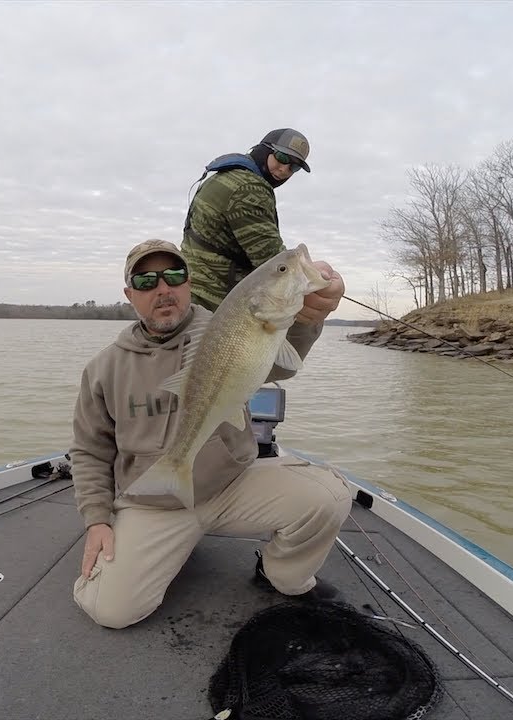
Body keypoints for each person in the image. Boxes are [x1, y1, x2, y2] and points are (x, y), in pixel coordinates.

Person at [69, 239, 353, 630]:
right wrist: (97, 518)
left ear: (188, 283)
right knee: (112, 612)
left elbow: (285, 362)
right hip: (153, 502)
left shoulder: (225, 324)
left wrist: (308, 317)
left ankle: (285, 577)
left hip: (230, 487)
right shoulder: (103, 368)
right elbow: (88, 450)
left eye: (174, 276)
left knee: (330, 494)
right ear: (129, 294)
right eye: (147, 280)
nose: (163, 289)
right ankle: (150, 545)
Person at [183, 128, 342, 320]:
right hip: (217, 307)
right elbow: (271, 261)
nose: (285, 169)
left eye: (295, 167)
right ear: (263, 150)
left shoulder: (227, 176)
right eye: (282, 157)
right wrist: (317, 281)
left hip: (193, 296)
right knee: (306, 321)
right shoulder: (249, 188)